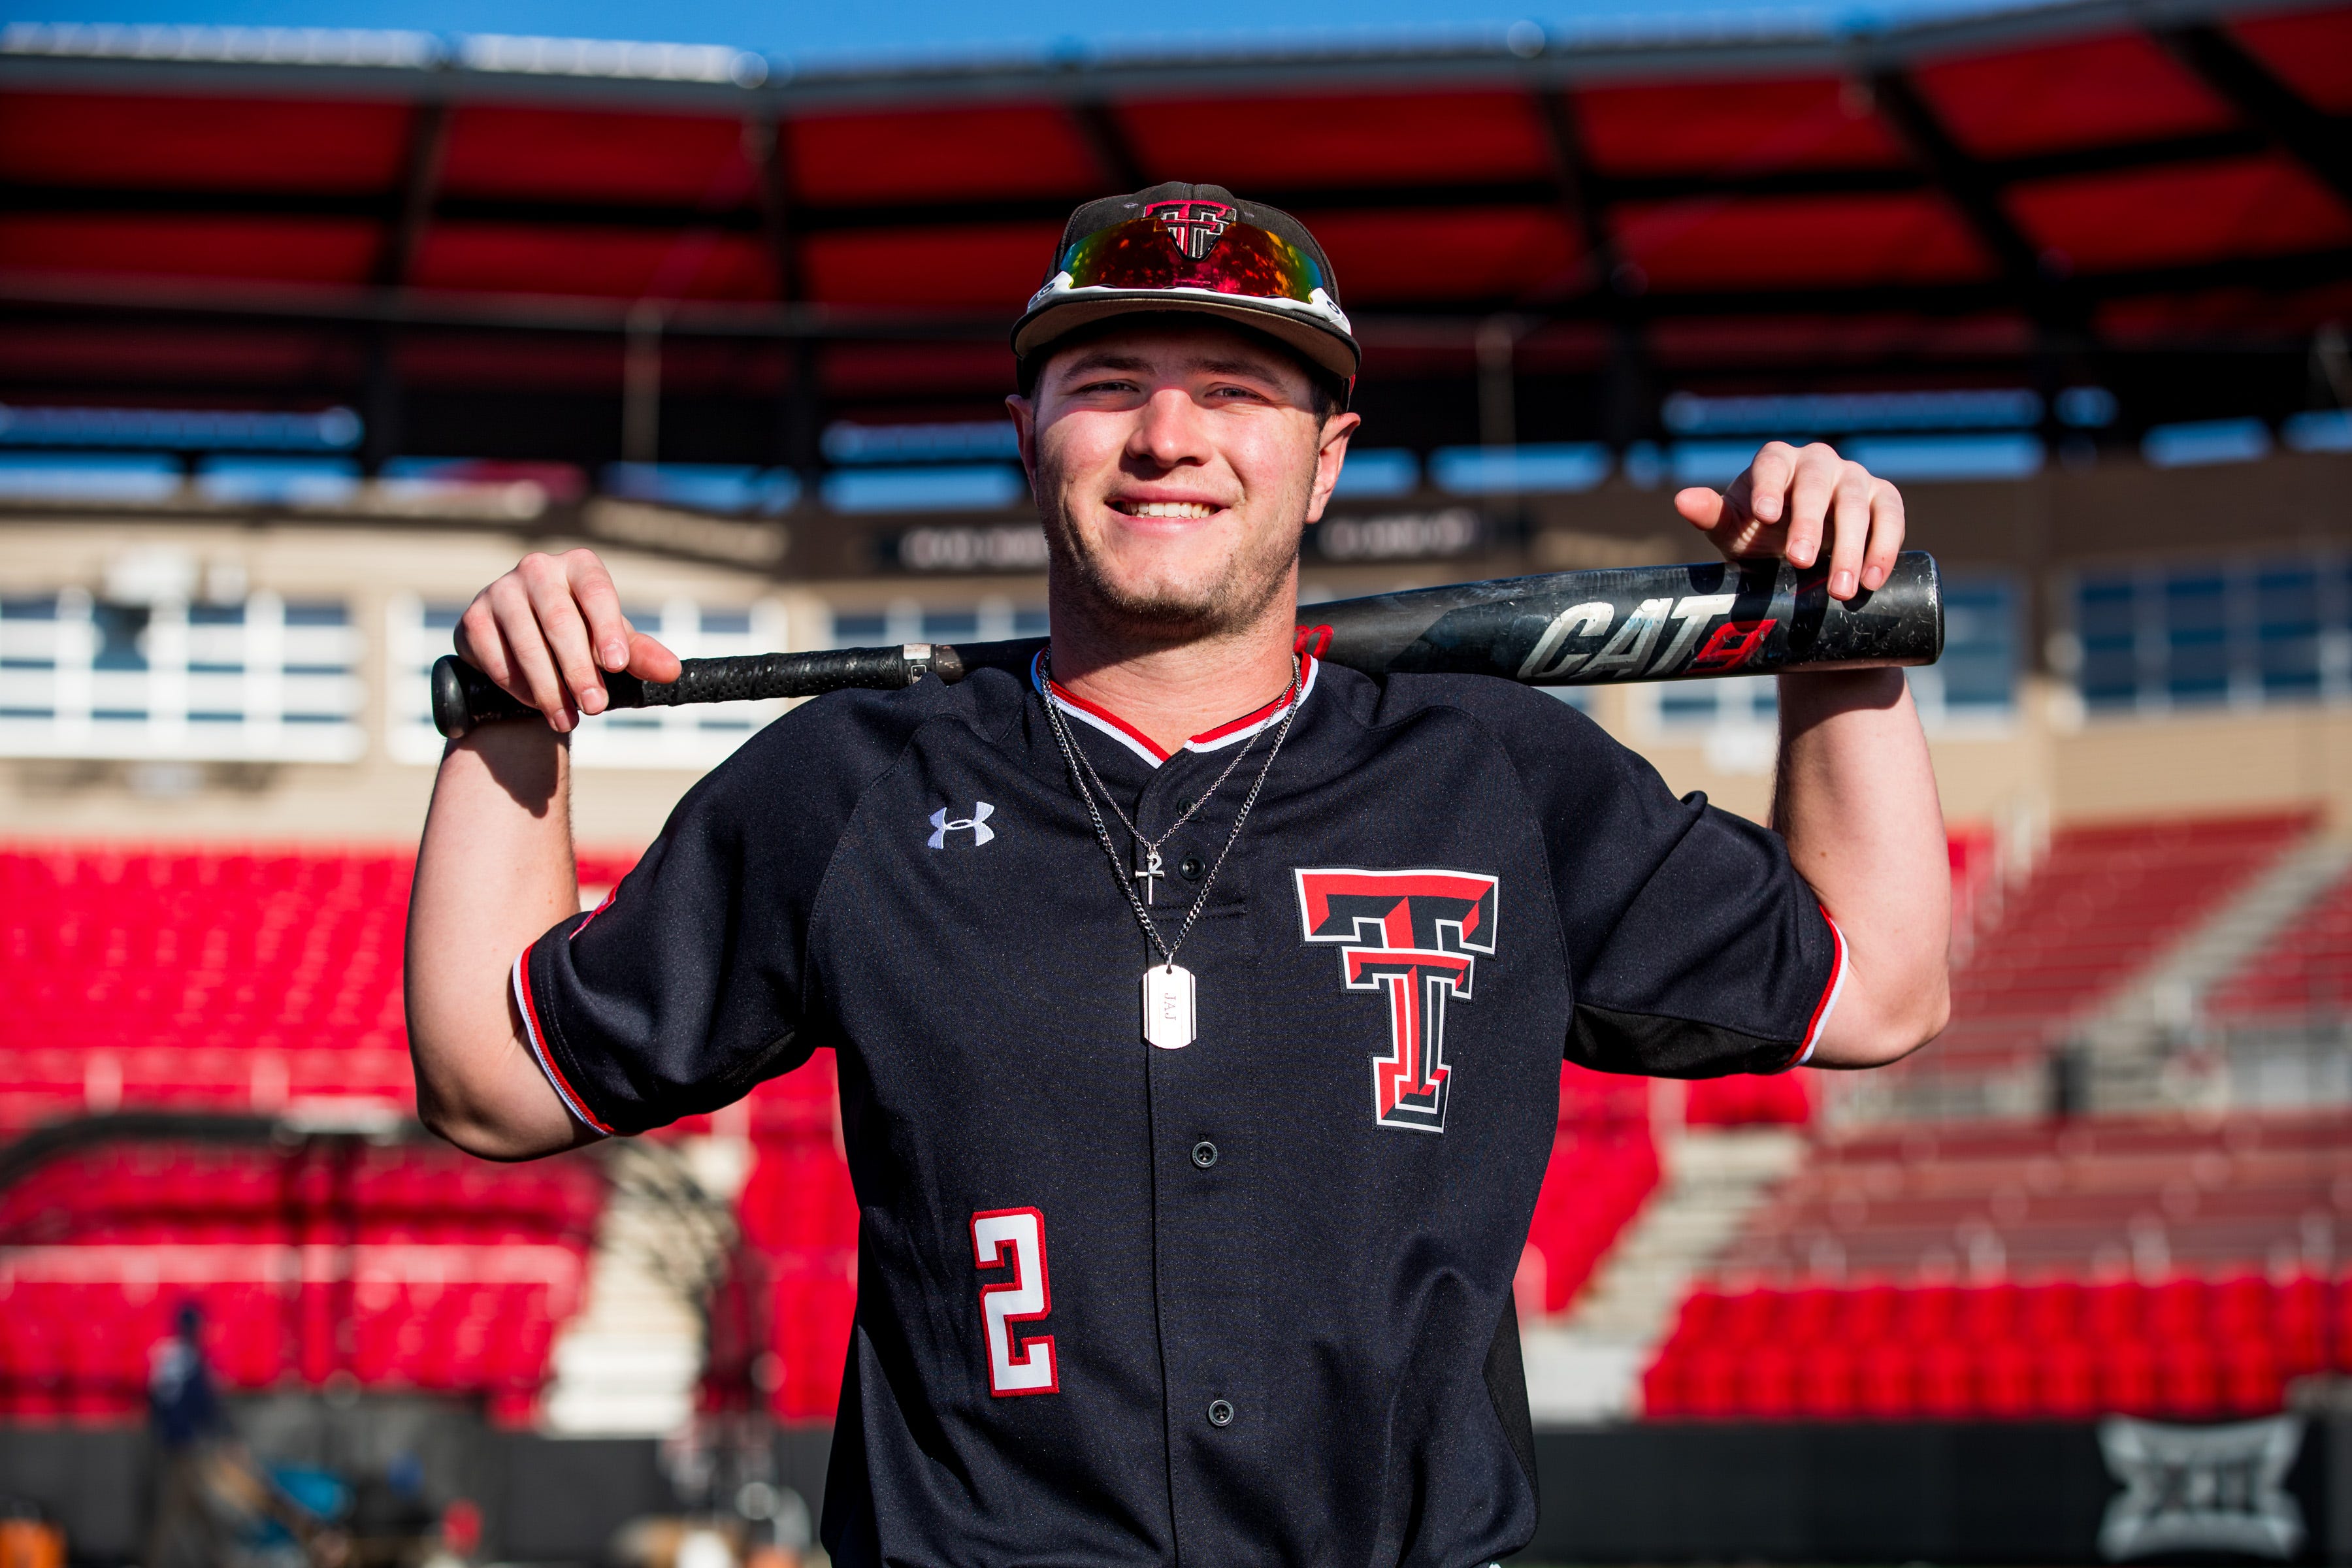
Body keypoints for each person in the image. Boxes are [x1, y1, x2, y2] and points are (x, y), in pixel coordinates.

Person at [408, 183, 1949, 1565]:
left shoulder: (1498, 776)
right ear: (1028, 434)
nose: (1168, 438)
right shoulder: (858, 782)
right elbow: (495, 1079)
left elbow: (1877, 985)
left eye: (1233, 389)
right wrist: (507, 713)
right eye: (1107, 387)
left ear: (1327, 460)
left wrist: (1840, 639)